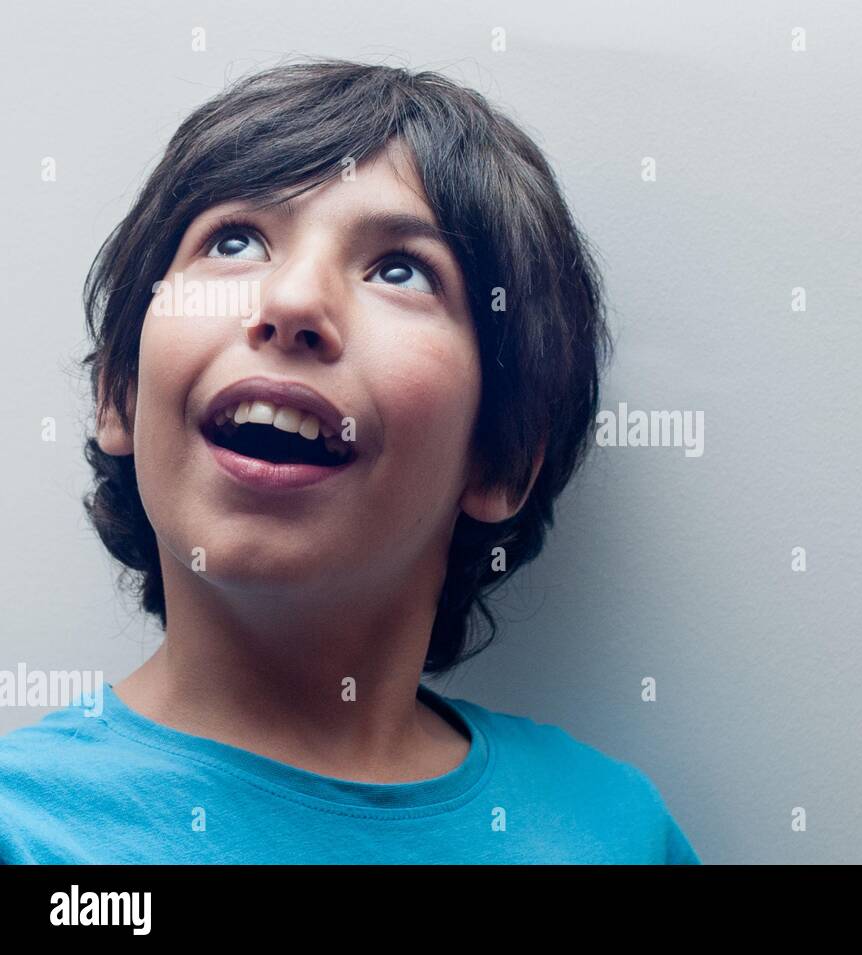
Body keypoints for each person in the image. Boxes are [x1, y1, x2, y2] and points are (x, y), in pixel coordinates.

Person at [0, 57, 700, 864]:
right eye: (234, 240)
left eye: (400, 270)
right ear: (120, 392)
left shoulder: (610, 829)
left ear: (501, 458)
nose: (291, 301)